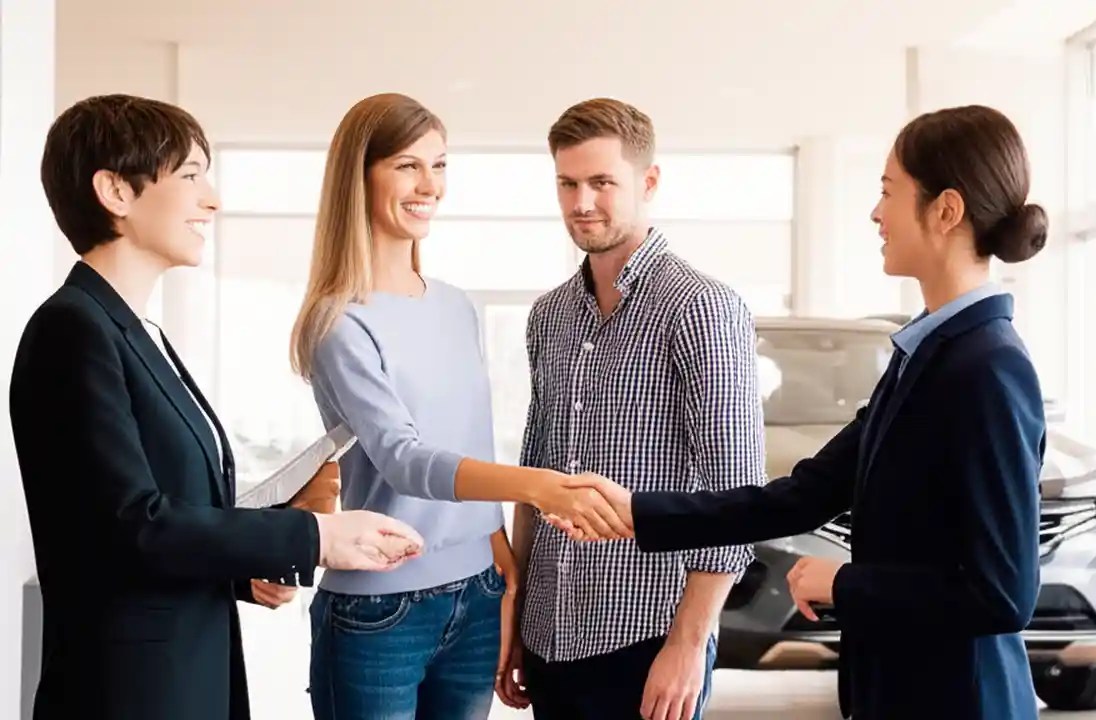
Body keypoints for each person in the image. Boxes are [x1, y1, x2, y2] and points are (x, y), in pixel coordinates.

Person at [568, 105, 1049, 720]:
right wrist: (630, 510)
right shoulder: (922, 354)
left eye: (888, 192)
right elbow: (802, 496)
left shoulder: (987, 367)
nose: (876, 213)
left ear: (946, 210)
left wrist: (841, 583)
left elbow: (1003, 594)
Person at [9, 94, 425, 720]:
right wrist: (313, 537)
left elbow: (164, 515)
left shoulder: (135, 330)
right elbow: (130, 525)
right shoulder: (73, 330)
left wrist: (246, 568)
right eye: (190, 175)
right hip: (127, 692)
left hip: (181, 676)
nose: (213, 199)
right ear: (115, 191)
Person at [290, 93, 629, 720]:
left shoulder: (454, 305)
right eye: (406, 166)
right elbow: (405, 460)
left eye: (439, 165)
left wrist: (496, 545)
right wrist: (543, 488)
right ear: (358, 175)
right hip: (379, 611)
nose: (429, 186)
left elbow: (468, 440)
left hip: (476, 596)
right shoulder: (338, 321)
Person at [505, 98, 766, 720]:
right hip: (549, 632)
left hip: (647, 639)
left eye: (602, 182)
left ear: (647, 183)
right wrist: (516, 619)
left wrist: (689, 643)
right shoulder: (549, 315)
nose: (581, 202)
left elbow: (737, 492)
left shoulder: (702, 307)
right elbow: (535, 472)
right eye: (567, 183)